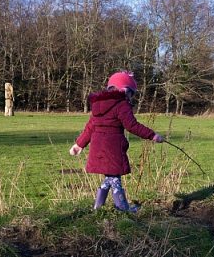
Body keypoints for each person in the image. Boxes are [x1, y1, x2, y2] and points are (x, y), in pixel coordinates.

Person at [69, 71, 164, 211]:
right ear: (125, 90)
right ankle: (123, 208)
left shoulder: (99, 105)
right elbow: (132, 125)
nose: (131, 97)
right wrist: (152, 135)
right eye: (131, 93)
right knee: (115, 178)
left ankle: (98, 208)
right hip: (112, 148)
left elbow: (90, 127)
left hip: (98, 149)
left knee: (110, 178)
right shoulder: (121, 105)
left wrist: (79, 144)